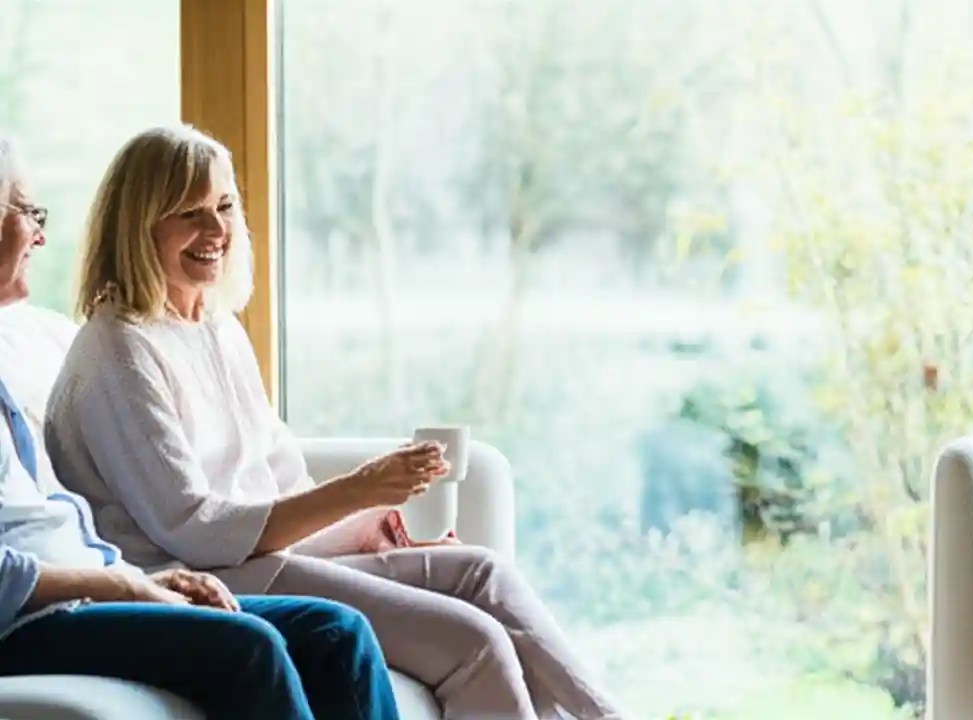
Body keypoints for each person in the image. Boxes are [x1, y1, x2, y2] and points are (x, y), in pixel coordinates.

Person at [44, 125, 625, 720]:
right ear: (139, 227)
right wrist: (359, 487)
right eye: (190, 214)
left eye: (224, 206)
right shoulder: (119, 352)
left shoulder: (217, 328)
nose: (217, 231)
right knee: (471, 643)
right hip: (203, 579)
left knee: (483, 573)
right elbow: (194, 530)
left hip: (257, 561)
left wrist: (369, 522)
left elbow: (276, 490)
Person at [0, 135, 400, 720]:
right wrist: (127, 587)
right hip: (30, 620)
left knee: (334, 631)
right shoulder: (116, 349)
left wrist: (147, 577)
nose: (39, 234)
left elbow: (58, 522)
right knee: (249, 648)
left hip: (86, 592)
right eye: (25, 211)